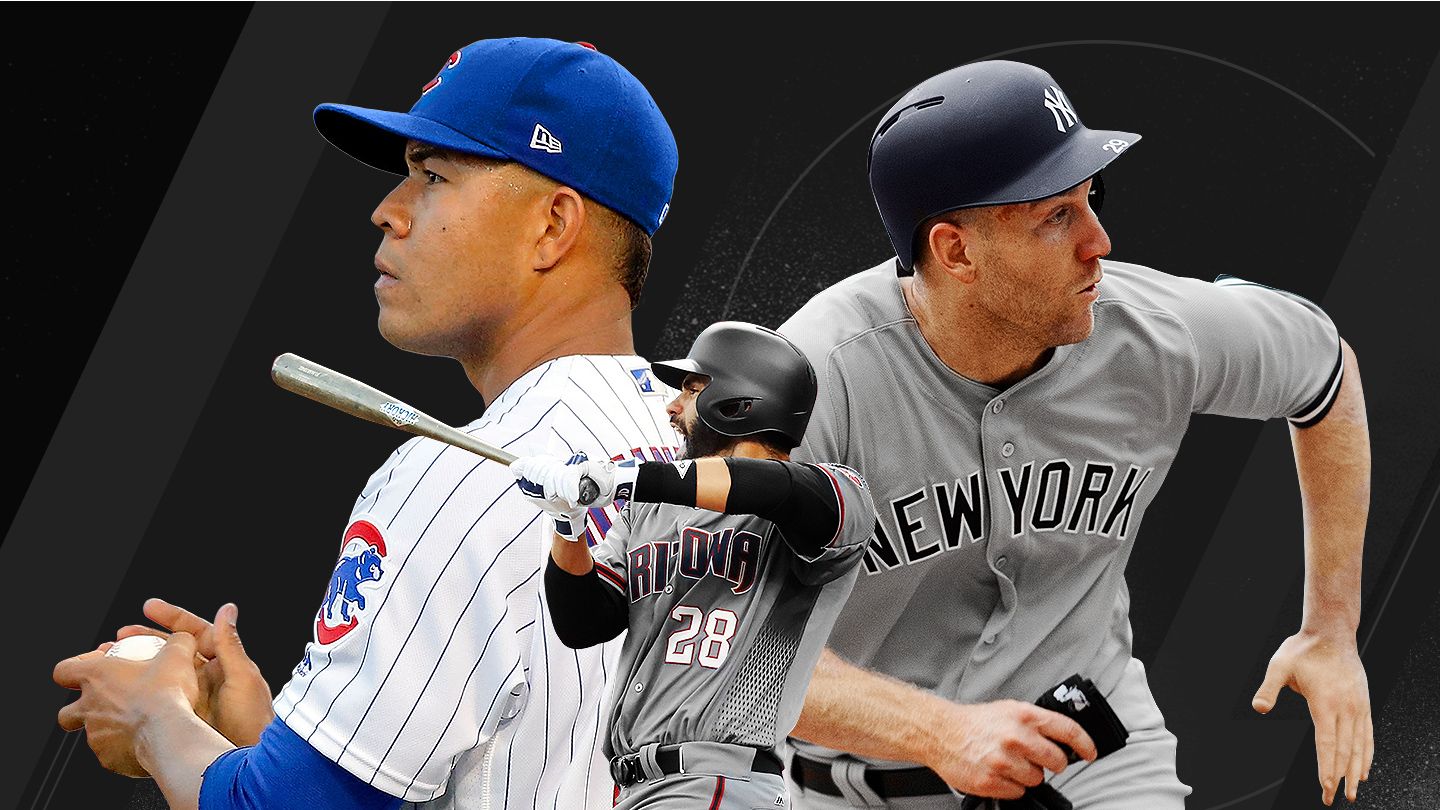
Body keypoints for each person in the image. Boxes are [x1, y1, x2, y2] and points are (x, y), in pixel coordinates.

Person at [52, 36, 681, 810]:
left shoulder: (470, 478)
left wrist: (152, 719)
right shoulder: (689, 439)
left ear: (553, 225)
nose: (387, 210)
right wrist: (273, 742)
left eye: (434, 175)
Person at [777, 60, 1373, 809]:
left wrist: (1332, 627)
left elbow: (1326, 371)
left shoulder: (1155, 331)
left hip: (1091, 754)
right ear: (956, 251)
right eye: (1055, 216)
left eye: (1091, 199)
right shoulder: (808, 383)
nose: (1100, 241)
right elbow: (711, 648)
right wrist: (939, 732)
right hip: (847, 788)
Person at [508, 321, 877, 809]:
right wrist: (567, 524)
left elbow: (772, 486)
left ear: (738, 401)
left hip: (718, 779)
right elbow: (583, 621)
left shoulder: (830, 492)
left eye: (692, 389)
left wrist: (622, 476)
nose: (673, 406)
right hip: (638, 788)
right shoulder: (650, 511)